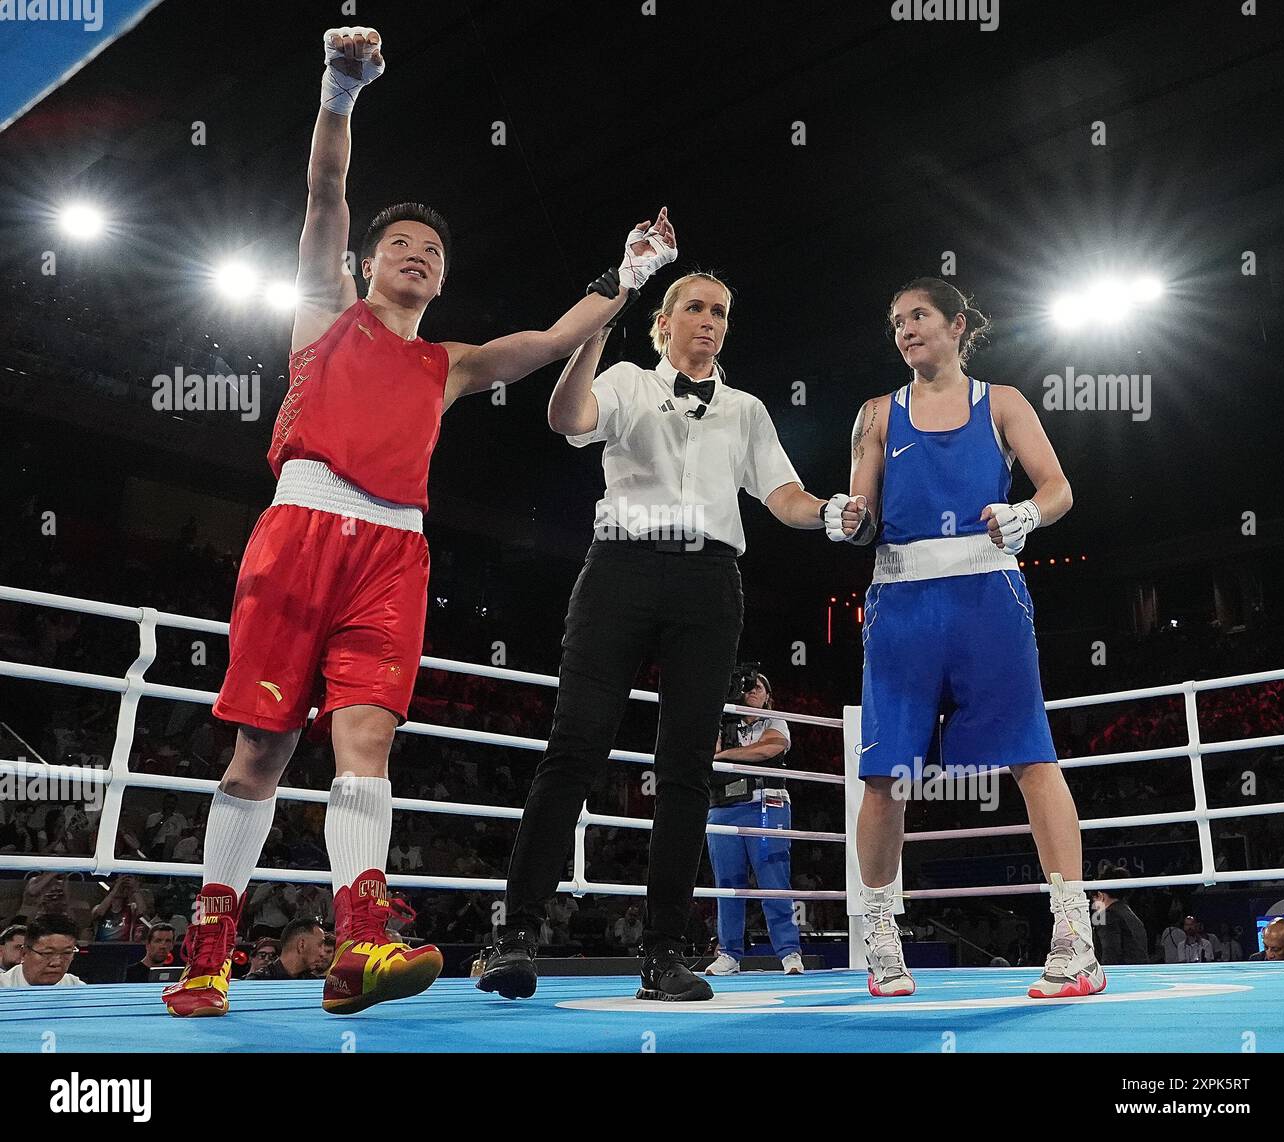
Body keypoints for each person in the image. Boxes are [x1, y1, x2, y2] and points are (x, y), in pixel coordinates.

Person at [163, 25, 677, 1020]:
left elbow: (554, 338)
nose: (415, 253)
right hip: (299, 531)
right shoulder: (322, 314)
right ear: (364, 266)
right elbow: (324, 193)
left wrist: (632, 270)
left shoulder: (452, 365)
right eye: (399, 243)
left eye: (431, 251)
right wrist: (339, 88)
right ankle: (208, 946)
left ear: (441, 280)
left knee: (367, 737)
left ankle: (362, 941)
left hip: (394, 551)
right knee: (261, 751)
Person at [477, 270, 862, 1002]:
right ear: (663, 323)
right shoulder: (625, 378)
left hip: (710, 581)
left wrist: (832, 512)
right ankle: (514, 937)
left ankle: (663, 955)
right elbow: (566, 418)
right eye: (695, 307)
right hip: (620, 567)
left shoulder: (746, 409)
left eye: (720, 311)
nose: (710, 321)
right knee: (575, 748)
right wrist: (589, 335)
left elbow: (782, 496)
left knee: (687, 766)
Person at [846, 277, 1102, 1000]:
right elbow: (862, 512)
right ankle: (882, 938)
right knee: (885, 774)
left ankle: (1074, 937)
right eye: (896, 321)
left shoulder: (1005, 401)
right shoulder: (874, 414)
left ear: (957, 326)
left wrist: (1027, 515)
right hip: (899, 603)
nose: (905, 330)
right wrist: (845, 517)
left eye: (918, 316)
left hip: (989, 595)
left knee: (1031, 754)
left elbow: (1058, 487)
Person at [703, 673, 804, 976]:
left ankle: (789, 952)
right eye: (746, 686)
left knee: (773, 876)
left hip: (766, 804)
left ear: (767, 695)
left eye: (758, 686)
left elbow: (768, 749)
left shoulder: (774, 721)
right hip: (723, 808)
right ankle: (729, 954)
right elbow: (706, 756)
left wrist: (726, 758)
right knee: (727, 883)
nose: (751, 691)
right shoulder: (720, 721)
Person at [0, 914, 86, 987]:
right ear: (24, 953)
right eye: (47, 953)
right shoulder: (3, 985)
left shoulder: (74, 986)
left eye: (67, 953)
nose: (56, 963)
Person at [1089, 871, 1148, 965]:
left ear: (1100, 896)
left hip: (1121, 975)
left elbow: (1110, 953)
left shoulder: (1107, 916)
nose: (1094, 906)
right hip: (1137, 972)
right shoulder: (1128, 912)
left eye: (1094, 900)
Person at [244, 918, 328, 980]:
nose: (323, 954)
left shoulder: (313, 983)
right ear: (301, 945)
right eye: (320, 945)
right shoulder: (256, 982)